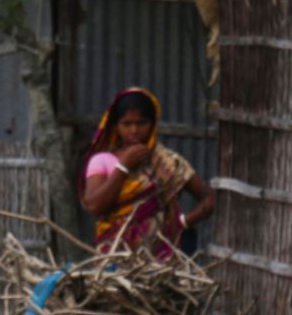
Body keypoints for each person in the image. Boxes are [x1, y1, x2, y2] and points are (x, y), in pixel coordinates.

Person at [79, 88, 216, 259]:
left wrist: (183, 222)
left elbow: (209, 199)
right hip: (115, 260)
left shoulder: (167, 161)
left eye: (141, 123)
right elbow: (94, 205)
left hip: (162, 262)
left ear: (153, 124)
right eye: (126, 124)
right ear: (115, 126)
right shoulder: (102, 160)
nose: (134, 130)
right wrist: (123, 167)